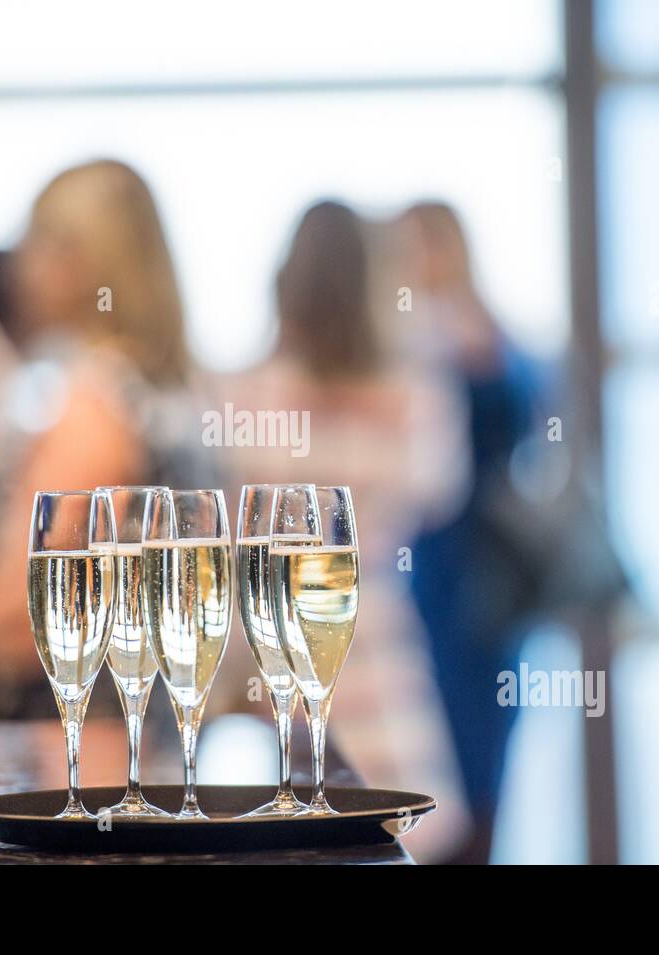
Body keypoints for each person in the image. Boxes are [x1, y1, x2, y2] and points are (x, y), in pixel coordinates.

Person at [0, 159, 216, 717]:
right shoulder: (157, 388)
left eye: (38, 242)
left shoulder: (92, 404)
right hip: (143, 728)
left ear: (79, 261)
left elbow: (30, 609)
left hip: (74, 739)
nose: (23, 267)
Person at [218, 200, 469, 861]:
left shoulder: (246, 393)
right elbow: (442, 492)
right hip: (376, 642)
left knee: (271, 835)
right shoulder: (414, 396)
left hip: (266, 653)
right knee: (393, 834)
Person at [391, 201, 546, 864]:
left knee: (477, 778)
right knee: (417, 776)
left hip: (479, 588)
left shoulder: (485, 341)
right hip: (418, 586)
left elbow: (521, 421)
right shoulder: (405, 340)